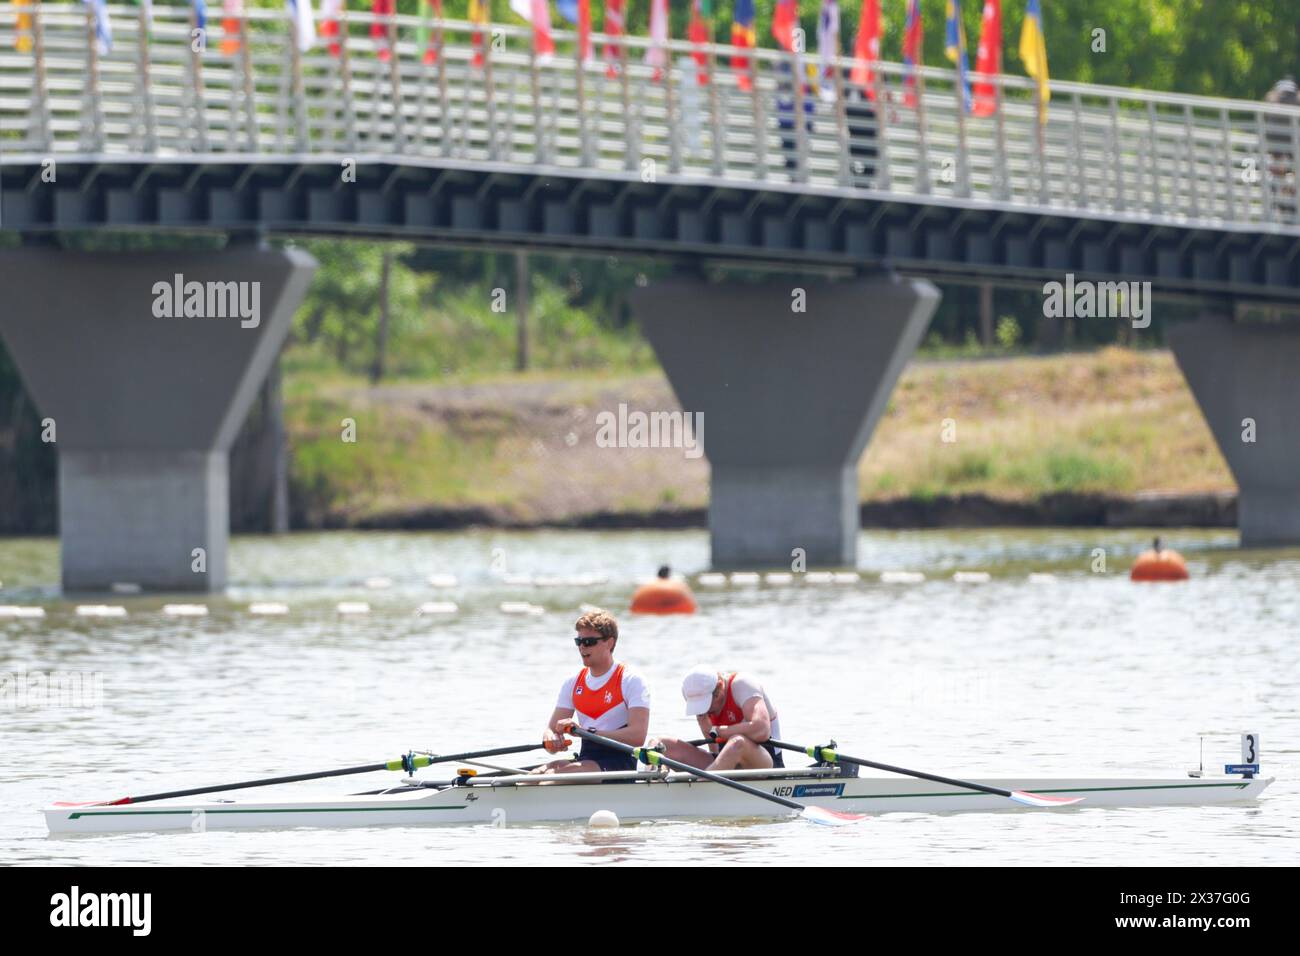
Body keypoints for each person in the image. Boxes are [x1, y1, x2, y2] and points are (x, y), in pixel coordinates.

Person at [535, 609, 651, 774]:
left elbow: (638, 736)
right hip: (587, 759)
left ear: (609, 643)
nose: (582, 647)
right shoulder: (573, 682)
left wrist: (587, 732)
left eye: (589, 641)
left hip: (619, 764)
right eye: (579, 641)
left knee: (553, 776)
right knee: (537, 773)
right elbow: (551, 729)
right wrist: (551, 739)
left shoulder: (631, 680)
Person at [652, 665, 784, 771]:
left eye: (706, 703)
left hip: (765, 764)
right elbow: (715, 752)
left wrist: (722, 731)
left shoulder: (742, 685)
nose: (704, 711)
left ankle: (703, 787)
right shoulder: (699, 706)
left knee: (738, 742)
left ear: (720, 687)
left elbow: (762, 730)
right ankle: (652, 782)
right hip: (723, 767)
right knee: (660, 744)